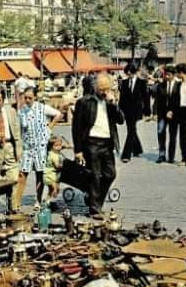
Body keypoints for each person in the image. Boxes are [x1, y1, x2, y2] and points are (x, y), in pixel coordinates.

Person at [72, 73, 124, 218]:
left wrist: (113, 103)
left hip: (107, 143)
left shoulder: (109, 102)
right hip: (91, 143)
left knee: (110, 174)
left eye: (107, 89)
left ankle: (94, 199)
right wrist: (78, 150)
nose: (104, 92)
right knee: (94, 176)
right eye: (102, 89)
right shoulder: (84, 102)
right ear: (95, 87)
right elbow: (76, 127)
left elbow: (121, 120)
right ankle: (95, 209)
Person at [15, 87, 61, 209]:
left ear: (35, 97)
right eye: (25, 98)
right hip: (27, 147)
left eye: (30, 97)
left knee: (40, 174)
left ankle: (38, 200)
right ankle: (16, 202)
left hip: (40, 146)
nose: (27, 100)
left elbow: (58, 114)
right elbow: (19, 129)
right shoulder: (21, 111)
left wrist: (49, 128)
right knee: (22, 174)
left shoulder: (42, 108)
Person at [118, 62, 150, 162]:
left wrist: (147, 112)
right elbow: (122, 98)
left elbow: (146, 98)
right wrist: (119, 110)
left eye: (130, 72)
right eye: (127, 73)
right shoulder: (124, 82)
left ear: (134, 72)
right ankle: (138, 149)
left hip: (137, 110)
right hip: (127, 110)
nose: (129, 74)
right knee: (131, 130)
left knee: (131, 131)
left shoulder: (142, 82)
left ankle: (126, 154)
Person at [154, 65, 180, 163]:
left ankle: (171, 156)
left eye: (168, 75)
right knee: (160, 132)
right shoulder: (161, 85)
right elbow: (157, 100)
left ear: (173, 75)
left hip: (174, 114)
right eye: (166, 75)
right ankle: (162, 155)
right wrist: (155, 112)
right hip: (162, 114)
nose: (166, 77)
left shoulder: (179, 85)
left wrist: (172, 111)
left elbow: (179, 101)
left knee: (172, 135)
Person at [43, 133, 68, 203]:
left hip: (51, 174)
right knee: (55, 189)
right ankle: (50, 200)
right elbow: (57, 166)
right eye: (56, 146)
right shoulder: (53, 155)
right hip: (50, 174)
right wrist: (63, 166)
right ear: (51, 146)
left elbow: (68, 146)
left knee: (52, 190)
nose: (59, 147)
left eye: (60, 145)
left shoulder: (53, 152)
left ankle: (47, 201)